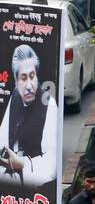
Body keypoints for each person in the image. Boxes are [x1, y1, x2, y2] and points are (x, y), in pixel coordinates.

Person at [0, 43, 58, 188]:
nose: (29, 85)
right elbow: (2, 139)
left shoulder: (49, 105)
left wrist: (21, 163)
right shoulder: (14, 96)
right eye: (23, 78)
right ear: (16, 81)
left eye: (32, 76)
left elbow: (52, 167)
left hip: (39, 191)